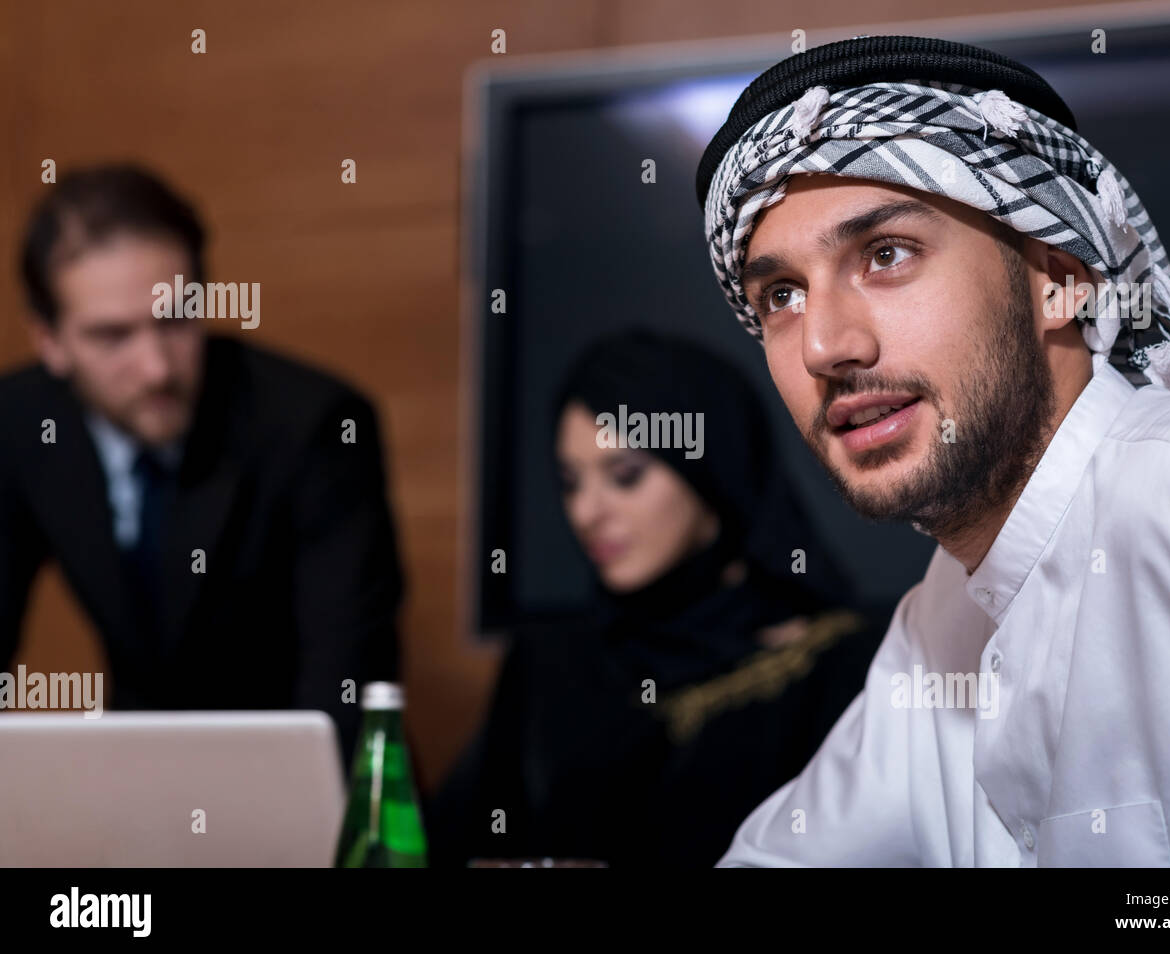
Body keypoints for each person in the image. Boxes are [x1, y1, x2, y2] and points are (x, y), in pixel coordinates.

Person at [695, 35, 1170, 866]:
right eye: (782, 296)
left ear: (1058, 278)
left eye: (886, 255)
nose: (824, 346)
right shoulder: (941, 623)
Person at [422, 330, 889, 867]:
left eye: (625, 476)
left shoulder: (839, 668)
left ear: (714, 473)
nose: (586, 512)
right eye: (571, 482)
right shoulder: (550, 660)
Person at [0, 164, 404, 760]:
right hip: (137, 781)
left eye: (176, 320)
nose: (157, 368)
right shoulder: (20, 424)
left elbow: (348, 685)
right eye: (113, 337)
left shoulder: (314, 427)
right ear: (50, 343)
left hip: (308, 786)